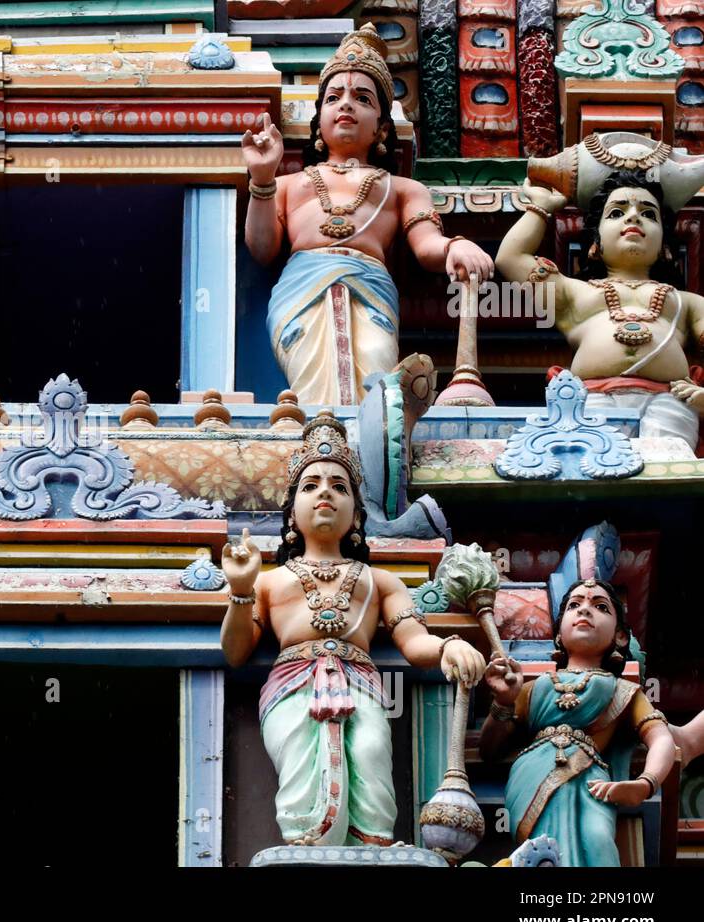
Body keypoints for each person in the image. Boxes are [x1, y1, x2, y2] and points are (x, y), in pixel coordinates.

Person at [220, 410, 486, 845]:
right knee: (304, 769)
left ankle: (372, 849)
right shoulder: (268, 582)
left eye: (339, 486)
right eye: (311, 485)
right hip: (293, 687)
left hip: (361, 683)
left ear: (357, 517)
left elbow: (413, 640)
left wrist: (448, 646)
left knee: (370, 753)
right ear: (292, 515)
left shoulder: (380, 582)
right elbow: (235, 651)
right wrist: (240, 589)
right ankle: (306, 846)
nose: (325, 492)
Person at [241, 24, 494, 406]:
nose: (346, 104)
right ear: (320, 121)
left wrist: (455, 246)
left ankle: (363, 448)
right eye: (334, 97)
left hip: (370, 293)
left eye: (362, 98)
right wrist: (262, 179)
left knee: (374, 365)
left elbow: (426, 246)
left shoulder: (402, 189)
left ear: (381, 127)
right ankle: (321, 446)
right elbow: (261, 248)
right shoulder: (291, 184)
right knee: (311, 377)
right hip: (302, 294)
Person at [496, 170, 704, 451]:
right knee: (594, 468)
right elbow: (511, 258)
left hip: (668, 400)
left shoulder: (686, 302)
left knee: (667, 466)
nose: (633, 217)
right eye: (617, 212)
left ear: (665, 247)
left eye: (649, 214)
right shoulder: (574, 294)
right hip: (590, 400)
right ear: (595, 244)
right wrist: (540, 207)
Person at [481, 579, 676, 867]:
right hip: (532, 777)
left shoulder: (624, 691)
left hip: (591, 781)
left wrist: (646, 783)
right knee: (539, 849)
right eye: (575, 605)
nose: (584, 610)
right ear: (558, 632)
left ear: (620, 635)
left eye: (599, 606)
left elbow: (660, 738)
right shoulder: (533, 687)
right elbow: (489, 750)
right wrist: (504, 702)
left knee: (597, 839)